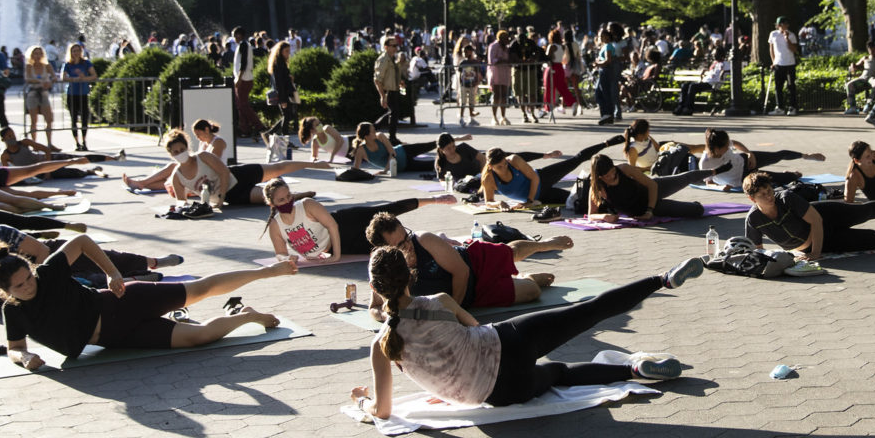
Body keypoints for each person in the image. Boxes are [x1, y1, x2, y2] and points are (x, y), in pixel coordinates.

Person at [351, 247, 699, 417]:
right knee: (587, 311)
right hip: (509, 340)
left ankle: (633, 370)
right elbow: (475, 330)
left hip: (497, 391)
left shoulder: (381, 344)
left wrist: (364, 401)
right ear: (411, 274)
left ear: (373, 286)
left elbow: (382, 410)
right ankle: (662, 279)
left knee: (560, 373)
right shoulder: (440, 301)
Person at [0, 238, 297, 371]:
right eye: (20, 286)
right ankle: (246, 316)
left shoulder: (48, 273)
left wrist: (112, 272)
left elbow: (81, 241)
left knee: (201, 289)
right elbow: (14, 345)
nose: (29, 286)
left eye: (27, 278)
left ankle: (267, 271)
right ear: (6, 291)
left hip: (123, 303)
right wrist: (24, 357)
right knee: (200, 337)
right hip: (117, 340)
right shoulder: (13, 311)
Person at [0, 215, 185, 318]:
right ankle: (145, 278)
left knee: (112, 259)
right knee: (99, 283)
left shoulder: (0, 232)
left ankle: (155, 262)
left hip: (54, 257)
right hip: (37, 283)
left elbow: (40, 251)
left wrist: (44, 279)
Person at [368, 213, 573, 309]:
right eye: (400, 245)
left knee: (511, 252)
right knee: (533, 292)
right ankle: (526, 278)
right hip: (472, 295)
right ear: (384, 250)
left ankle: (544, 244)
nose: (408, 245)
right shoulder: (383, 267)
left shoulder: (423, 240)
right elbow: (375, 307)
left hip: (473, 264)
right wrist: (384, 317)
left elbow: (462, 272)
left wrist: (455, 312)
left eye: (406, 236)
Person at [261, 178, 456, 264]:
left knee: (391, 210)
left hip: (348, 223)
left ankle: (436, 199)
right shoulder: (276, 226)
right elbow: (280, 254)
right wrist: (287, 259)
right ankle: (439, 240)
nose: (287, 201)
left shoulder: (306, 205)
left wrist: (335, 256)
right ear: (271, 203)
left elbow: (332, 226)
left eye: (288, 196)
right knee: (393, 245)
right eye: (281, 200)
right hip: (347, 245)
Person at [123, 128, 328, 207]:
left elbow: (222, 171)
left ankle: (313, 164)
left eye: (181, 149)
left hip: (236, 176)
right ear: (170, 154)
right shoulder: (177, 176)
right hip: (233, 195)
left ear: (187, 147)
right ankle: (300, 195)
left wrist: (219, 197)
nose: (179, 154)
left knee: (276, 167)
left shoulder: (202, 156)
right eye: (175, 152)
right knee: (271, 199)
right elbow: (181, 203)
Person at [743, 171, 875, 259]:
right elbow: (757, 250)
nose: (769, 196)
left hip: (825, 216)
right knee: (874, 239)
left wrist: (816, 253)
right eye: (762, 195)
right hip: (820, 242)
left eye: (769, 191)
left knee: (863, 211)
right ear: (752, 198)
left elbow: (816, 220)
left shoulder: (785, 198)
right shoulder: (753, 219)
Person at [585, 154, 713, 221]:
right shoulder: (597, 188)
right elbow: (591, 215)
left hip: (652, 190)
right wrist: (604, 217)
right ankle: (695, 204)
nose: (613, 175)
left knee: (684, 178)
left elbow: (652, 185)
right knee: (697, 210)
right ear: (600, 177)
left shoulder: (624, 169)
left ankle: (715, 171)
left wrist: (649, 211)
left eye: (613, 171)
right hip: (643, 208)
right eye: (608, 175)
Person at [696, 128, 819, 191]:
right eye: (725, 146)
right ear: (716, 148)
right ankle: (789, 174)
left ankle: (806, 155)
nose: (729, 146)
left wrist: (749, 153)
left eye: (728, 144)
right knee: (787, 178)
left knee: (777, 155)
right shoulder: (705, 162)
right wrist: (720, 187)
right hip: (744, 178)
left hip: (745, 160)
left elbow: (736, 143)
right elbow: (709, 183)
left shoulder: (724, 143)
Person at [480, 147, 598, 209]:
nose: (504, 168)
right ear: (490, 166)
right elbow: (489, 202)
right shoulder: (488, 179)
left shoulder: (513, 160)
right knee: (578, 200)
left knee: (575, 160)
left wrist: (529, 201)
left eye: (504, 164)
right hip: (541, 197)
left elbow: (534, 178)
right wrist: (499, 203)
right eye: (499, 167)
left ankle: (606, 143)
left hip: (543, 178)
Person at [0, 126, 118, 177]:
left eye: (12, 135)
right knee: (72, 173)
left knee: (77, 159)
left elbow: (46, 150)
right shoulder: (5, 155)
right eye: (9, 136)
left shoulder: (24, 142)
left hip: (48, 160)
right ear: (3, 139)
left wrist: (48, 169)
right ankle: (92, 171)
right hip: (36, 172)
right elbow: (7, 173)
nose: (12, 138)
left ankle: (113, 158)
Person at [60, 42, 98, 153]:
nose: (76, 53)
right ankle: (77, 142)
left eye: (78, 51)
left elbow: (94, 76)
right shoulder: (68, 64)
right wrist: (73, 79)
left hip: (83, 93)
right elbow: (63, 77)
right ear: (71, 52)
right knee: (74, 119)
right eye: (74, 51)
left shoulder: (86, 63)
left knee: (85, 118)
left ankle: (84, 141)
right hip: (72, 93)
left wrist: (84, 78)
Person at [231, 26, 266, 141]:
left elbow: (244, 63)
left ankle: (259, 126)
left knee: (243, 105)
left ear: (239, 35)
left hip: (244, 79)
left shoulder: (244, 45)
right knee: (241, 106)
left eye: (234, 35)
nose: (233, 37)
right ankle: (245, 129)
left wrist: (239, 78)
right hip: (244, 78)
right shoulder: (243, 45)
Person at [673, 49, 728, 116]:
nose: (713, 55)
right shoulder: (715, 63)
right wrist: (705, 71)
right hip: (705, 81)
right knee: (685, 85)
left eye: (715, 54)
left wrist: (724, 72)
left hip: (712, 84)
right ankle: (681, 106)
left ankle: (689, 108)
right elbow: (711, 71)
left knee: (692, 86)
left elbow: (729, 72)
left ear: (720, 55)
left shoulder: (725, 63)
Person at [22, 45, 57, 147]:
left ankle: (49, 143)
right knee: (34, 120)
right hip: (33, 94)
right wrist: (39, 81)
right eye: (35, 53)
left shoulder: (47, 66)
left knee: (49, 119)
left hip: (44, 94)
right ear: (31, 55)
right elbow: (27, 78)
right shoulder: (29, 66)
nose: (37, 56)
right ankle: (34, 144)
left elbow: (54, 76)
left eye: (39, 53)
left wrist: (50, 82)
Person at [372, 35, 409, 129]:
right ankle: (375, 128)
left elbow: (392, 75)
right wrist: (382, 96)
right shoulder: (383, 60)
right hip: (388, 91)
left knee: (394, 113)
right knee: (393, 112)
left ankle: (390, 135)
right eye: (393, 46)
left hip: (394, 89)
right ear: (386, 47)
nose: (395, 48)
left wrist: (400, 82)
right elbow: (377, 79)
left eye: (396, 45)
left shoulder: (393, 59)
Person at [767, 16, 800, 115]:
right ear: (779, 25)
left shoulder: (791, 35)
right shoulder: (773, 34)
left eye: (787, 24)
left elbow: (794, 50)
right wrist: (773, 62)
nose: (786, 26)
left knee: (791, 87)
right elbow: (771, 49)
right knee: (778, 87)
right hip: (778, 64)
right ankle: (780, 107)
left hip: (789, 64)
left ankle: (793, 107)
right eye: (783, 24)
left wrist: (787, 39)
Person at [266, 41, 298, 140]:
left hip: (285, 93)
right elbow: (279, 83)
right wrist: (283, 99)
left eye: (289, 51)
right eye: (286, 51)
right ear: (280, 52)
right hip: (282, 94)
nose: (288, 53)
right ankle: (284, 139)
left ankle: (270, 133)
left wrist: (289, 78)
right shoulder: (278, 64)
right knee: (287, 116)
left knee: (288, 115)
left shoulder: (281, 62)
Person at [843, 42, 875, 115]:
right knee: (849, 85)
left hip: (871, 79)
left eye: (874, 50)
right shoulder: (865, 58)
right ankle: (852, 107)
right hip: (863, 78)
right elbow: (855, 67)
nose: (873, 52)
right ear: (868, 51)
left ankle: (868, 104)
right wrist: (853, 66)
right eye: (871, 50)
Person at [486, 30, 515, 126]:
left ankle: (503, 116)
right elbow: (491, 60)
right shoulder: (493, 46)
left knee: (504, 95)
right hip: (496, 72)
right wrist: (500, 60)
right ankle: (494, 116)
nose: (507, 40)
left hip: (505, 72)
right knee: (497, 95)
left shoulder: (506, 48)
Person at [455, 44, 484, 125]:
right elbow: (460, 73)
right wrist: (460, 82)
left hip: (472, 84)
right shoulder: (462, 62)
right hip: (464, 84)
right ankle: (461, 117)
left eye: (466, 52)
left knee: (472, 101)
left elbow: (478, 73)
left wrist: (477, 81)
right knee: (463, 102)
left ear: (471, 52)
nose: (464, 53)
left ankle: (471, 117)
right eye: (464, 52)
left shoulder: (475, 62)